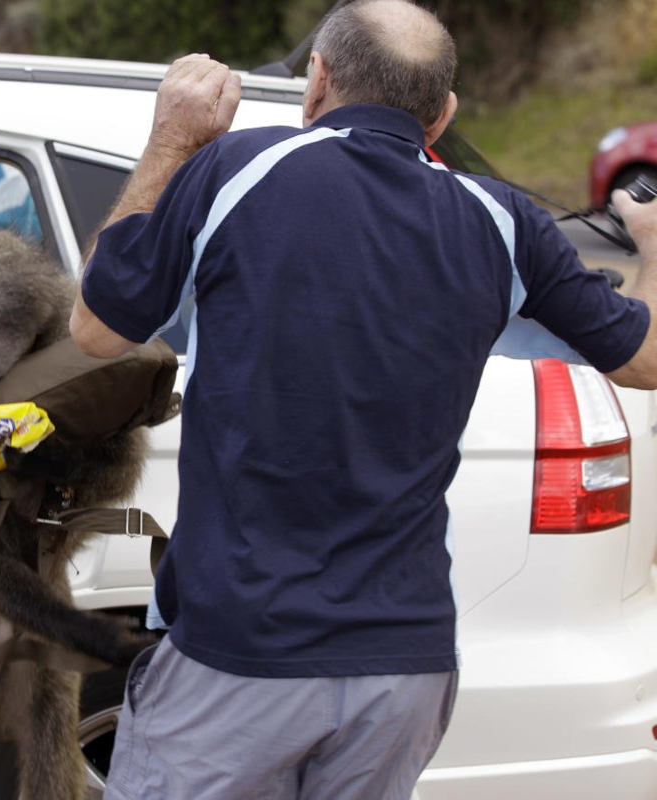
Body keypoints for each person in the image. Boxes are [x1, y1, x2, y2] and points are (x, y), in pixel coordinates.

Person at [69, 1, 657, 797]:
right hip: (404, 668)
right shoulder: (501, 221)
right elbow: (645, 360)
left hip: (241, 657)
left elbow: (98, 328)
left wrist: (174, 137)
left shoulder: (237, 168)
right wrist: (651, 247)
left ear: (317, 80)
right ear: (442, 115)